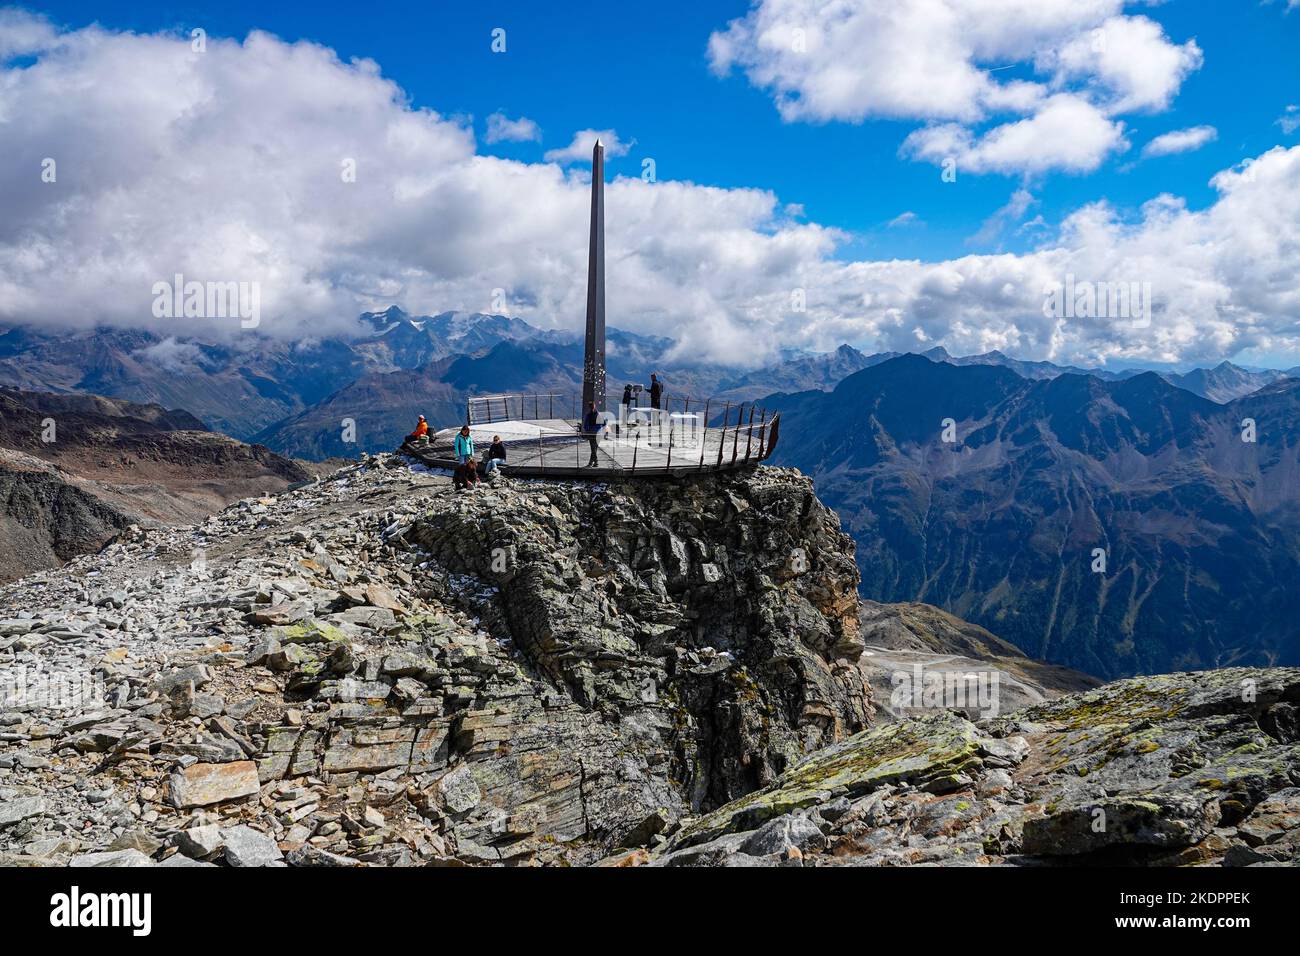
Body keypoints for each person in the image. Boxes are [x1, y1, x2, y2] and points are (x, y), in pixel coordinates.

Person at [581, 401, 601, 467]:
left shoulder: (588, 415)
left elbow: (585, 426)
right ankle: (592, 463)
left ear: (589, 407)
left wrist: (588, 430)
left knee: (593, 449)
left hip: (592, 434)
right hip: (598, 434)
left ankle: (595, 462)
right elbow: (603, 424)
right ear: (594, 406)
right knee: (594, 449)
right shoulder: (599, 414)